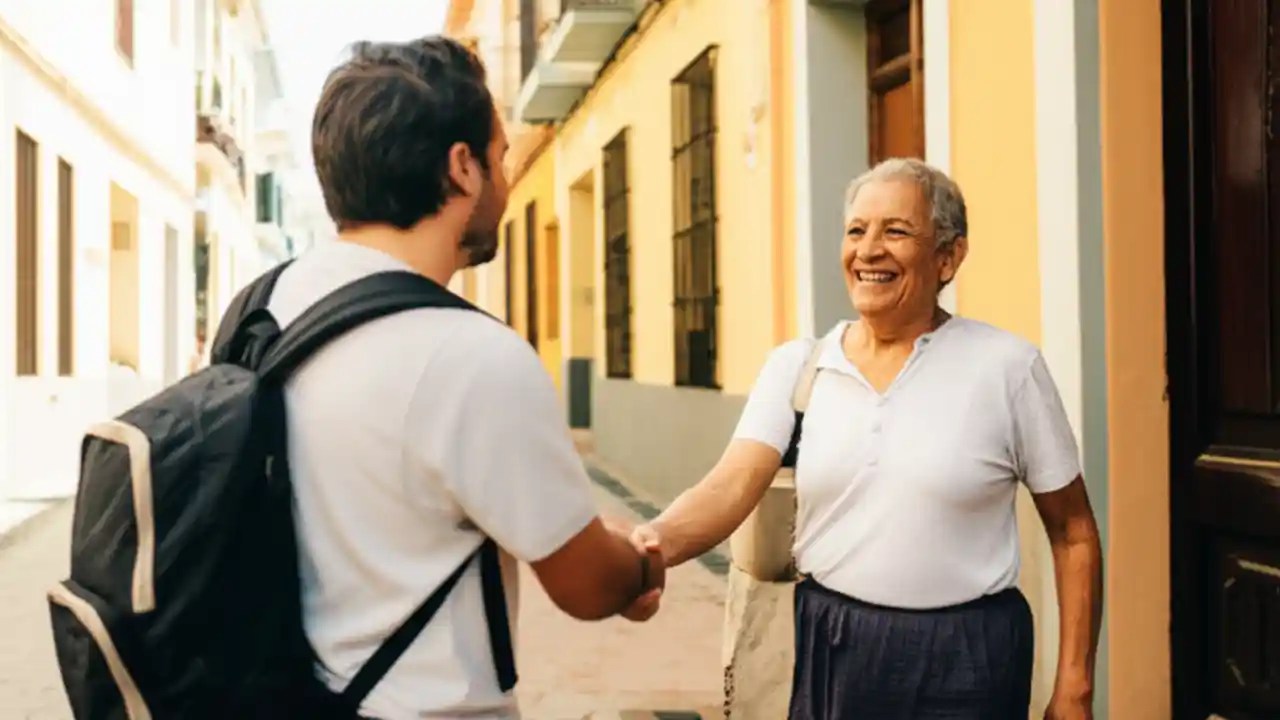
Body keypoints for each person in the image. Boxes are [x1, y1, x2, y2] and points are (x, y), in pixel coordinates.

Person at [268, 37, 662, 720]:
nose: (505, 180)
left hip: (286, 698)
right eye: (501, 157)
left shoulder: (266, 307)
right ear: (462, 167)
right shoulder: (472, 356)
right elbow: (587, 587)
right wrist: (640, 562)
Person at [637, 158, 1103, 719]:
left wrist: (1074, 685)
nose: (869, 250)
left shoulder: (1008, 367)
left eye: (896, 231)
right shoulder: (799, 367)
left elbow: (1073, 530)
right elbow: (731, 486)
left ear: (948, 258)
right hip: (835, 646)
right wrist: (647, 548)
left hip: (971, 657)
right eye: (857, 230)